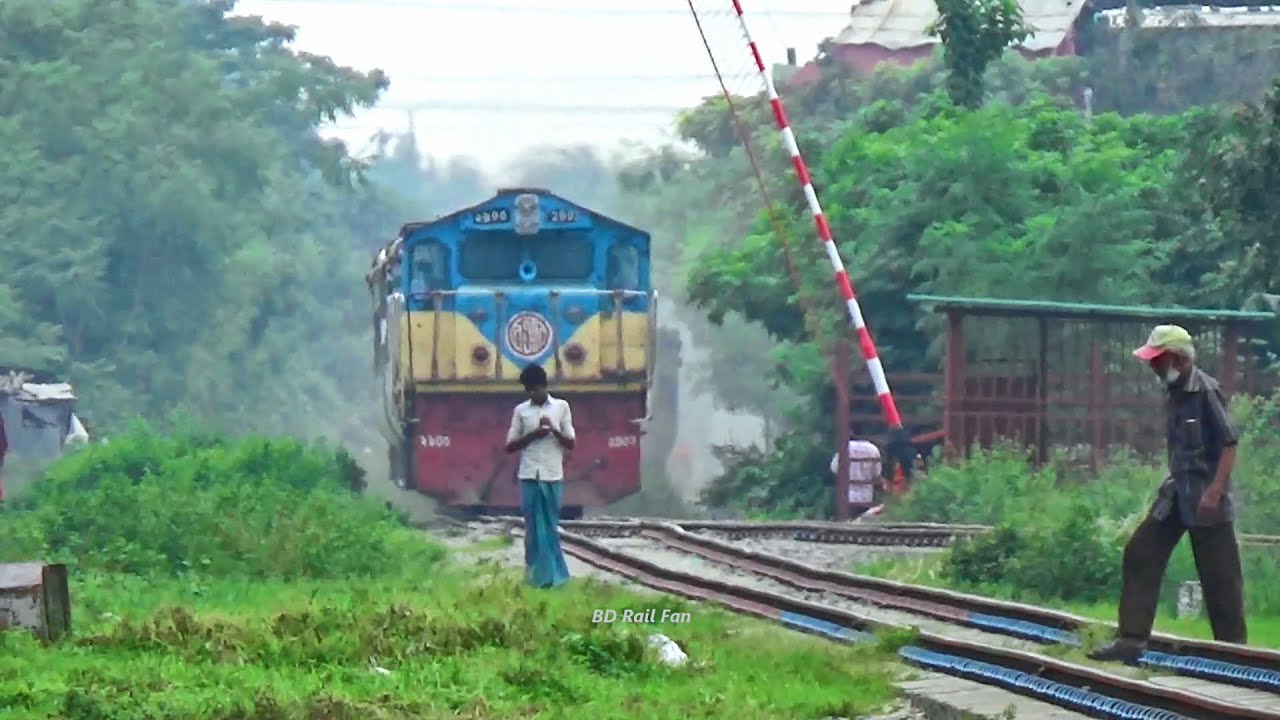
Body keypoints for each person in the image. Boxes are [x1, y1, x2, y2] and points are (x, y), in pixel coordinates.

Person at [1089, 324, 1247, 664]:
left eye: (1157, 359)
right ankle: (1131, 641)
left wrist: (1214, 492)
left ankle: (1235, 656)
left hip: (1206, 498)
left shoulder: (1205, 391)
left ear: (1177, 358)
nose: (1152, 366)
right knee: (1141, 552)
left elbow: (1229, 443)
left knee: (1220, 578)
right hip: (1176, 493)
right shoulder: (1173, 392)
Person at [505, 363, 576, 588]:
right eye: (530, 391)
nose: (533, 394)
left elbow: (571, 442)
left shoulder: (562, 407)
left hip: (553, 474)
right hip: (529, 475)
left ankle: (556, 576)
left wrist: (553, 429)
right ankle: (534, 575)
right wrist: (534, 434)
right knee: (532, 527)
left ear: (544, 387)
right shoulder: (521, 411)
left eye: (536, 389)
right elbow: (510, 446)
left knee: (550, 526)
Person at [831, 432, 882, 519]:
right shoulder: (873, 449)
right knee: (864, 522)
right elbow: (877, 474)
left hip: (847, 496)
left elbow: (834, 469)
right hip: (866, 496)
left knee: (846, 521)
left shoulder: (845, 448)